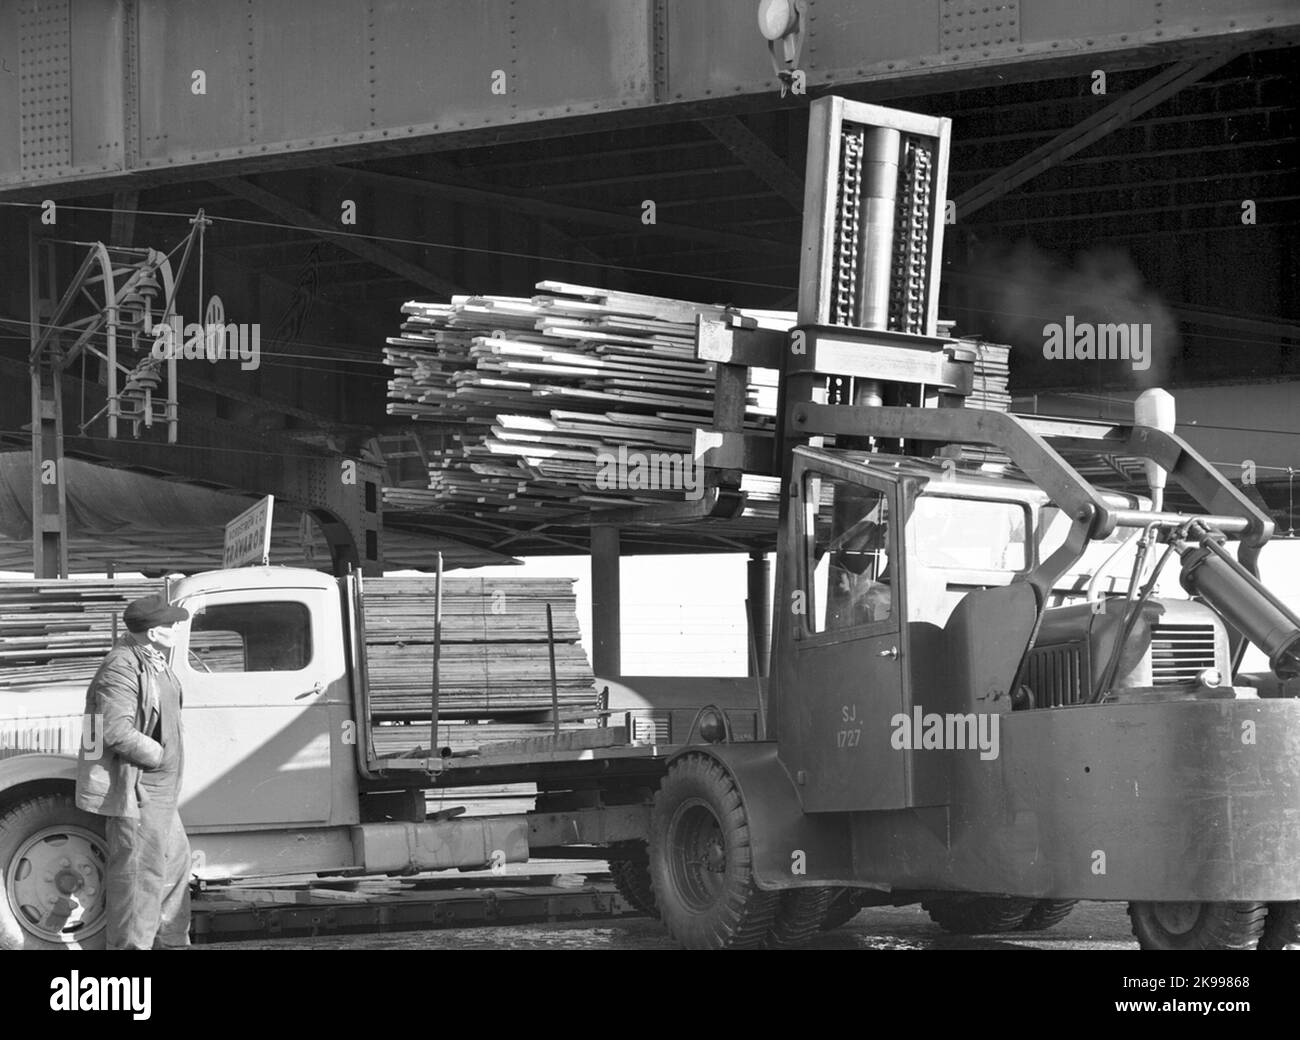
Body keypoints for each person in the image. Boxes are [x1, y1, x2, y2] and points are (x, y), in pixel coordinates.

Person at [76, 594, 192, 950]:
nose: (176, 627)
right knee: (140, 878)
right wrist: (159, 756)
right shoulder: (122, 666)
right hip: (140, 788)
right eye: (170, 623)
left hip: (160, 790)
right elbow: (114, 730)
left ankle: (172, 944)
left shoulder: (151, 660)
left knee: (173, 868)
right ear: (154, 632)